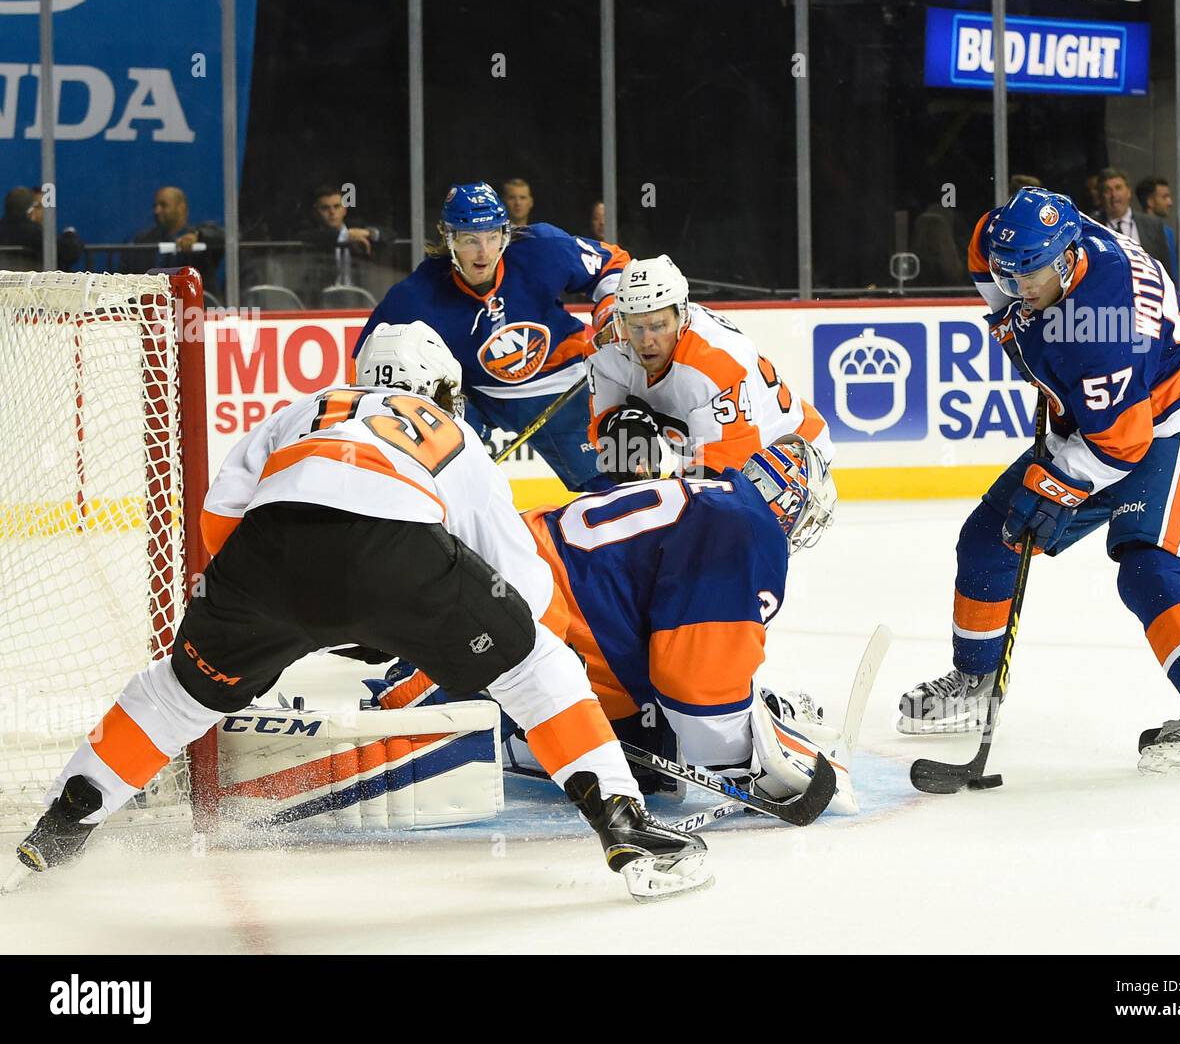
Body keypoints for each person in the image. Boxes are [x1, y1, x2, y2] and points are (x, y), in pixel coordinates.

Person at [11, 322, 711, 903]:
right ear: (438, 388)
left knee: (175, 693)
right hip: (399, 557)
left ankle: (65, 822)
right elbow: (522, 587)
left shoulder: (300, 409)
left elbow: (220, 518)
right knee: (539, 667)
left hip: (262, 561)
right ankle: (624, 823)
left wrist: (292, 622)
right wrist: (443, 634)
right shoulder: (449, 431)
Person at [900, 187, 1180, 776]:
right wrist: (1009, 307)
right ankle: (975, 683)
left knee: (1147, 563)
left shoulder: (1102, 327)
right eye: (1008, 273)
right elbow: (986, 254)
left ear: (1069, 259)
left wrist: (1058, 485)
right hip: (1101, 423)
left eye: (1032, 275)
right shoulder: (1025, 240)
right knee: (987, 538)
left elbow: (1122, 441)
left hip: (1171, 422)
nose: (1019, 287)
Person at [364, 434, 854, 814]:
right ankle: (401, 703)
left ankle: (493, 727)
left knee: (644, 755)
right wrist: (746, 759)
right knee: (417, 734)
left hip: (525, 572)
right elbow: (695, 681)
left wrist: (747, 712)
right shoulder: (749, 531)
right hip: (529, 595)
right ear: (790, 504)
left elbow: (681, 645)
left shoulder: (717, 501)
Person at [354, 182, 630, 492]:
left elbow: (614, 264)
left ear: (505, 233)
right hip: (477, 400)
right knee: (452, 491)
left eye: (492, 236)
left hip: (565, 386)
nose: (484, 251)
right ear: (449, 238)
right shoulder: (415, 297)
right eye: (470, 239)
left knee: (616, 488)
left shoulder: (541, 248)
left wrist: (610, 315)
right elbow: (371, 364)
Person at [586, 255, 834, 485]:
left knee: (713, 517)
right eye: (636, 326)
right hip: (709, 450)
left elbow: (722, 472)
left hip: (790, 452)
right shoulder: (607, 355)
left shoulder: (715, 361)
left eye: (659, 325)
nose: (647, 341)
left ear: (681, 315)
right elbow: (605, 428)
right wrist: (622, 431)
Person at [293, 184, 394, 305]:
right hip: (321, 301)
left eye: (337, 207)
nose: (332, 212)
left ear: (345, 209)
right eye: (325, 208)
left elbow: (390, 234)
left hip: (360, 298)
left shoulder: (357, 228)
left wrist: (369, 233)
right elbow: (305, 236)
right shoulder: (312, 233)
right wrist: (345, 235)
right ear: (316, 212)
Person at [122, 186, 223, 291]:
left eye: (163, 205)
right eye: (155, 206)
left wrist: (198, 236)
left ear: (181, 208)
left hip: (194, 303)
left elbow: (227, 237)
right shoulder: (142, 241)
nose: (157, 210)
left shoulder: (200, 238)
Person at [1098, 167, 1173, 274]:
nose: (1114, 195)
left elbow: (1165, 269)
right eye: (1107, 190)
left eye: (1118, 188)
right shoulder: (1094, 226)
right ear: (1101, 196)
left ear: (1129, 192)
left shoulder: (1153, 225)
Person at [0, 186, 83, 271]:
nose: (44, 213)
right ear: (30, 209)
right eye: (38, 207)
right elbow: (69, 252)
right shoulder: (32, 233)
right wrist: (70, 234)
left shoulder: (7, 228)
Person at [1135, 175, 1179, 281]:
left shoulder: (1168, 231)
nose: (1170, 202)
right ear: (1150, 201)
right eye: (1164, 197)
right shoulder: (1134, 229)